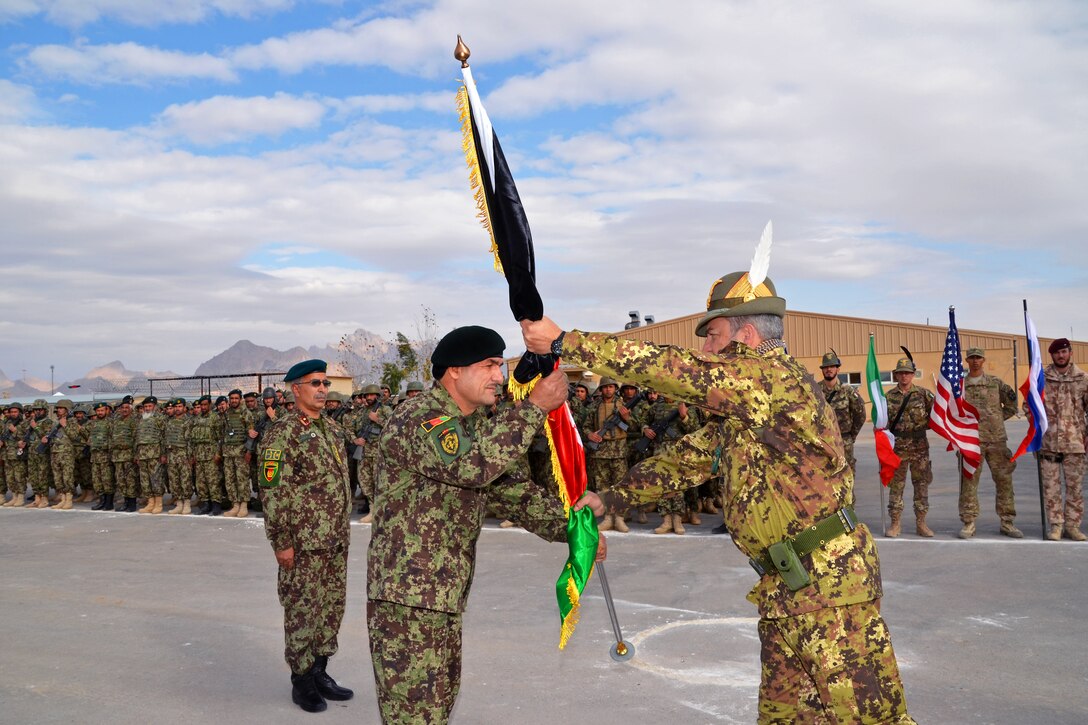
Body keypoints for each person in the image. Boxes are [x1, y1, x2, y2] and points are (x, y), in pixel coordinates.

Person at [522, 270, 914, 724]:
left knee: (873, 719)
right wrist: (611, 498)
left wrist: (565, 342)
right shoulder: (750, 407)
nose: (706, 349)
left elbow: (675, 370)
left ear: (746, 335)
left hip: (831, 587)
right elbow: (687, 459)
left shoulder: (771, 380)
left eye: (713, 335)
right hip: (787, 587)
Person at [366, 325, 604, 724]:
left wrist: (575, 531)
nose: (500, 376)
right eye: (490, 365)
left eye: (501, 365)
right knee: (413, 714)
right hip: (408, 598)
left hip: (441, 592)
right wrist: (533, 409)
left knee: (435, 708)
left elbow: (510, 490)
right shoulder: (422, 418)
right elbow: (473, 468)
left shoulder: (472, 425)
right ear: (454, 371)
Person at [259, 359, 354, 713]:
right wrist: (281, 541)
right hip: (302, 542)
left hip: (334, 538)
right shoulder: (282, 433)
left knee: (331, 608)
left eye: (325, 383)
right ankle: (301, 680)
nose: (322, 389)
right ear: (295, 389)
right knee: (302, 610)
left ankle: (319, 671)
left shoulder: (330, 428)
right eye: (315, 383)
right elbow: (271, 490)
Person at [959, 348, 1022, 538]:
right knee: (969, 482)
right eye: (972, 358)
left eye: (978, 358)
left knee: (1004, 481)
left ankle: (1007, 522)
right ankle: (969, 522)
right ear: (967, 361)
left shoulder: (996, 383)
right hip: (971, 442)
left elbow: (1011, 404)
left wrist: (996, 419)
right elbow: (952, 411)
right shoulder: (961, 385)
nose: (975, 361)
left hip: (996, 441)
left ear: (984, 360)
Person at [1039, 338, 1088, 541]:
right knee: (1051, 487)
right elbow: (1029, 406)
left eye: (1064, 352)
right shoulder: (1041, 377)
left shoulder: (1083, 379)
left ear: (1070, 353)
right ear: (1052, 355)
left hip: (1075, 442)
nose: (1061, 355)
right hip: (1048, 442)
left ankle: (1072, 526)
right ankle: (1056, 526)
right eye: (1057, 353)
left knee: (1074, 487)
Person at [885, 356, 936, 537]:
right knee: (896, 486)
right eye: (901, 373)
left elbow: (936, 417)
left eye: (907, 373)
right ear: (896, 375)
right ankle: (895, 523)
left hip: (919, 446)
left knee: (921, 485)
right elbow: (883, 422)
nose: (904, 376)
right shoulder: (888, 397)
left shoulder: (924, 394)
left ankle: (921, 523)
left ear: (913, 375)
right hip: (897, 448)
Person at [580, 376, 631, 531]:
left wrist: (627, 418)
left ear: (615, 388)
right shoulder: (594, 406)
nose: (608, 390)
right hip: (600, 452)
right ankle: (608, 517)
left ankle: (620, 518)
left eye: (611, 387)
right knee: (603, 487)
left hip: (619, 452)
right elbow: (586, 426)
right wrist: (590, 435)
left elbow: (635, 426)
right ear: (601, 389)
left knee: (620, 487)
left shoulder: (623, 405)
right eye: (605, 387)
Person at [817, 350, 867, 479]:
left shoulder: (848, 391)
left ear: (838, 369)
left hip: (844, 442)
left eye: (832, 366)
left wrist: (851, 436)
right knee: (824, 481)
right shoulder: (815, 391)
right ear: (822, 370)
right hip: (823, 443)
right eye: (826, 367)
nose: (829, 369)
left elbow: (860, 415)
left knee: (846, 480)